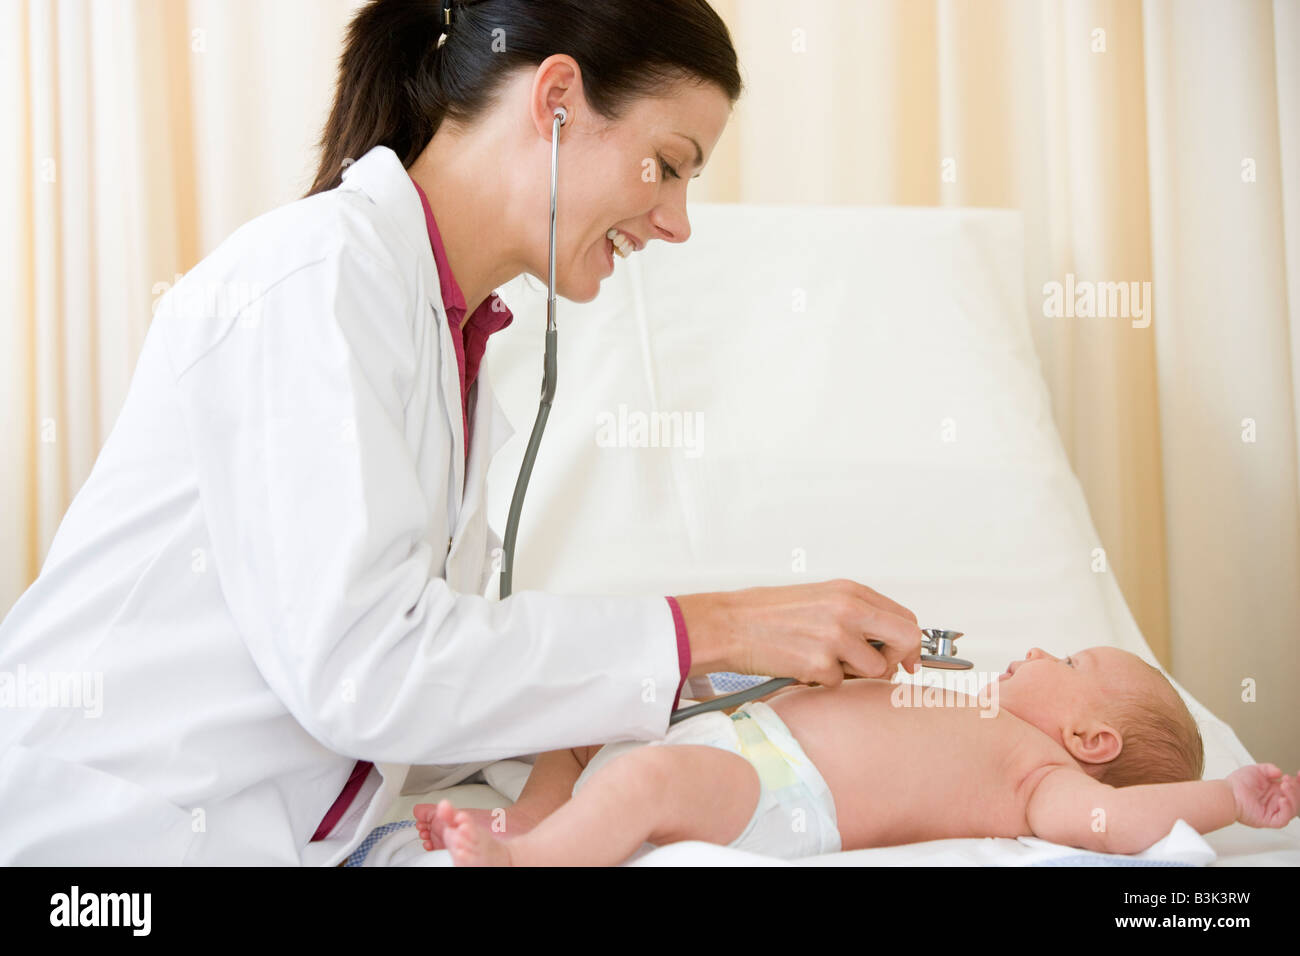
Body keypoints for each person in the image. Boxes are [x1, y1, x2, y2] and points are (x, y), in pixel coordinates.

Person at [0, 0, 923, 865]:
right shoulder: (314, 279)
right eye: (670, 164)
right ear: (557, 100)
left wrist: (676, 704)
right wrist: (715, 630)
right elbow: (366, 672)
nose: (678, 221)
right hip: (106, 845)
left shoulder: (451, 341)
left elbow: (416, 700)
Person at [416, 645, 1300, 865]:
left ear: (1091, 740)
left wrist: (1226, 797)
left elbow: (1118, 824)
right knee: (585, 724)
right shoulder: (965, 695)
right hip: (737, 732)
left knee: (649, 780)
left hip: (777, 790)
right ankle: (522, 819)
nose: (1035, 651)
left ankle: (529, 857)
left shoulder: (1043, 778)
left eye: (1067, 663)